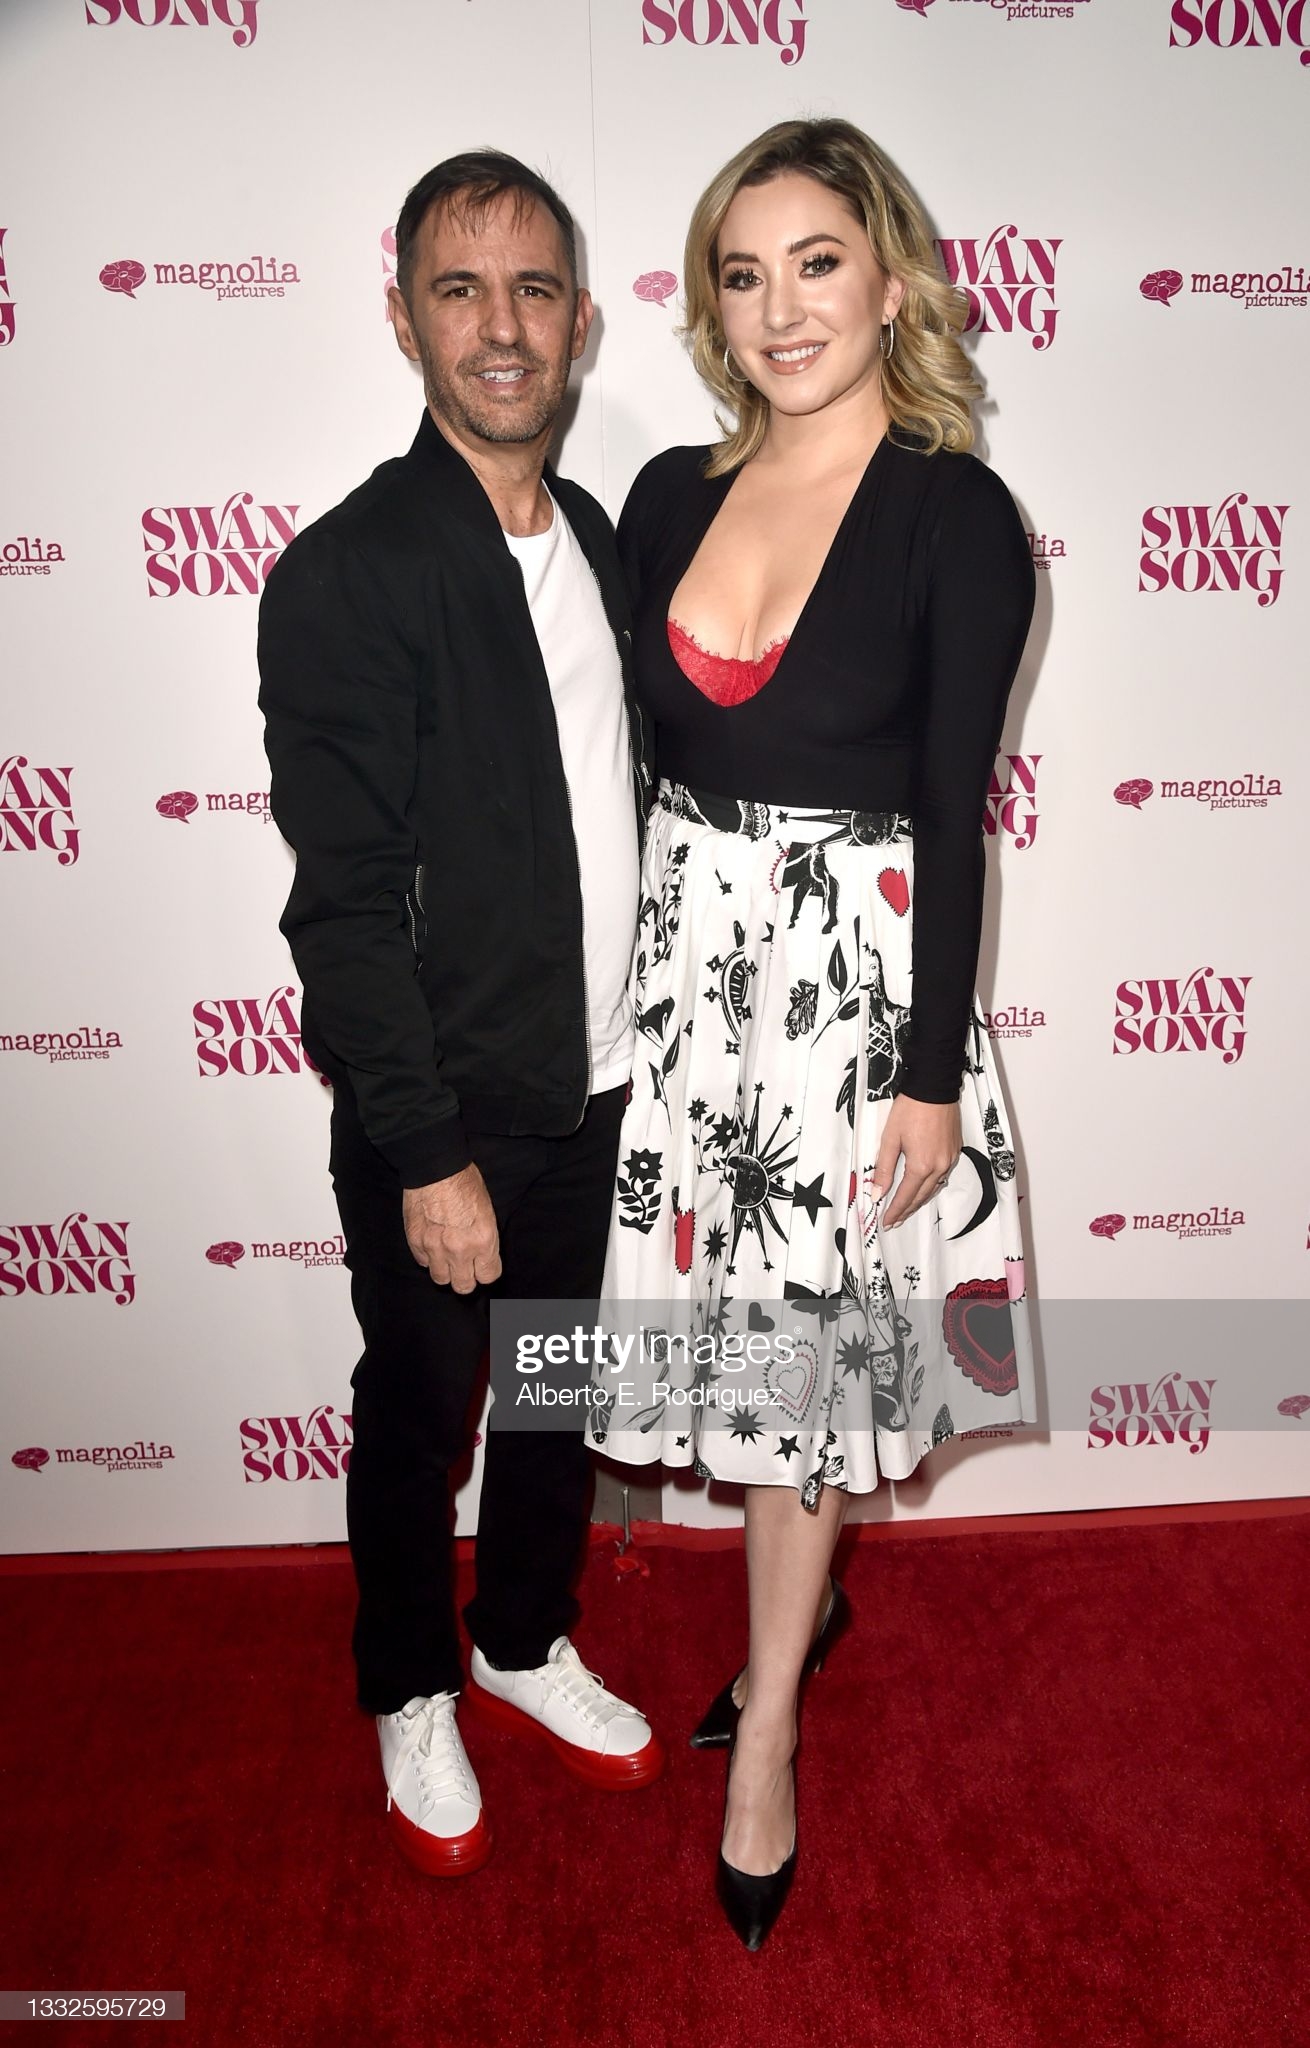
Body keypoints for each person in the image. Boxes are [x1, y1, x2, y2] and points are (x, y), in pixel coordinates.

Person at [586, 117, 1038, 1946]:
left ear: (892, 273)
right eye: (742, 272)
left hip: (848, 1009)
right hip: (691, 989)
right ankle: (801, 1612)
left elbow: (953, 808)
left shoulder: (956, 512)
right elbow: (614, 771)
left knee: (798, 1405)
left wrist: (929, 1074)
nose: (779, 308)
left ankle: (766, 1730)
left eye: (816, 262)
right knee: (731, 1385)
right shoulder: (667, 501)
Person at [258, 150, 664, 1880]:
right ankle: (408, 1682)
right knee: (424, 1416)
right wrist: (422, 1149)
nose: (499, 329)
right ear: (405, 316)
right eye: (457, 288)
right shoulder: (348, 570)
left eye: (530, 292)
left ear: (577, 322)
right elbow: (343, 903)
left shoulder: (596, 538)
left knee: (556, 1394)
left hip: (596, 1085)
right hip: (442, 1109)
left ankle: (517, 1638)